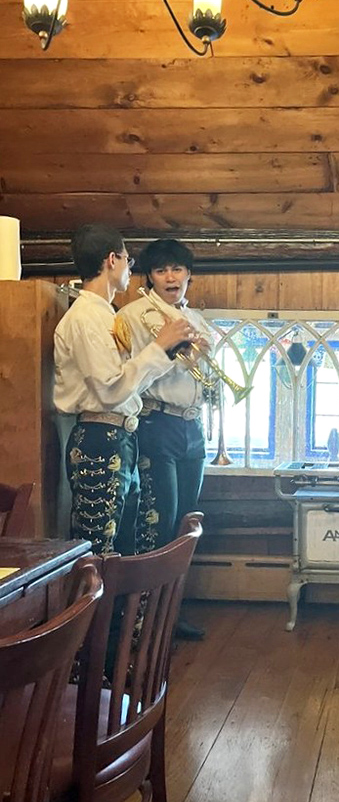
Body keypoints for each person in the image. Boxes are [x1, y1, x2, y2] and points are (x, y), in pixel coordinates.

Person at [54, 224, 197, 556]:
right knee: (98, 546)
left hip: (118, 435)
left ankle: (119, 609)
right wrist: (159, 346)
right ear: (112, 260)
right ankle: (93, 609)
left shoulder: (105, 315)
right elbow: (110, 390)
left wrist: (169, 352)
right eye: (128, 261)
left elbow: (128, 383)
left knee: (123, 542)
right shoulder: (86, 317)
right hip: (98, 434)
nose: (130, 269)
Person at [118, 239, 212, 639]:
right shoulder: (135, 316)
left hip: (193, 428)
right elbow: (138, 374)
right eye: (161, 271)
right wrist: (173, 348)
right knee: (158, 528)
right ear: (149, 277)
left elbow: (202, 377)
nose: (171, 277)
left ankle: (171, 614)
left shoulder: (197, 318)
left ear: (189, 274)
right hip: (158, 425)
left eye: (177, 269)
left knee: (185, 525)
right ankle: (147, 623)